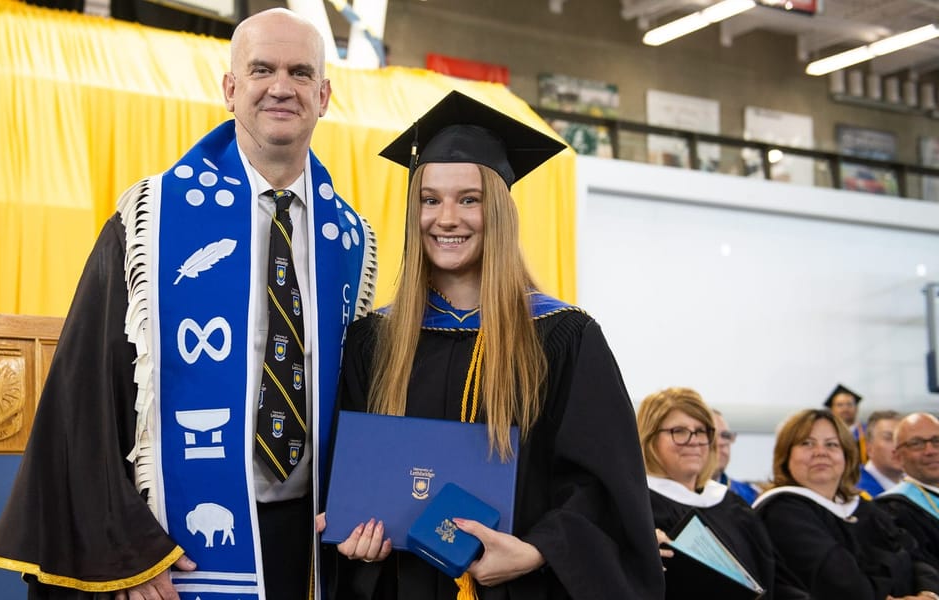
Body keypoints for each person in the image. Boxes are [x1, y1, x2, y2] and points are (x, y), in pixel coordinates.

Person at [0, 8, 378, 599]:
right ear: (230, 89)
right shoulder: (152, 220)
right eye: (261, 69)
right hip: (174, 545)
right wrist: (127, 551)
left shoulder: (349, 240)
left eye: (300, 74)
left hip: (310, 544)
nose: (280, 87)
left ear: (324, 95)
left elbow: (361, 400)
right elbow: (84, 391)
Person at [326, 91, 663, 599]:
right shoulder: (376, 340)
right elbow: (353, 472)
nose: (446, 219)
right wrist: (356, 536)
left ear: (500, 210)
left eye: (469, 199)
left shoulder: (562, 336)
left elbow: (602, 486)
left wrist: (538, 549)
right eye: (430, 199)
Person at [753, 409, 939, 600]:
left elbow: (916, 557)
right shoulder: (782, 512)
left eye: (832, 444)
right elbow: (842, 585)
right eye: (807, 443)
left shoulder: (864, 509)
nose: (820, 452)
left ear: (846, 456)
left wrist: (929, 594)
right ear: (785, 455)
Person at [639, 388, 804, 599]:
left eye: (701, 431)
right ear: (649, 438)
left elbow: (776, 579)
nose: (694, 440)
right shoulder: (638, 509)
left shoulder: (732, 504)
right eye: (679, 431)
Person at [876, 412, 939, 564]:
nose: (930, 451)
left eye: (936, 441)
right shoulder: (890, 510)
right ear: (897, 456)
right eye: (916, 443)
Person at [712, 408, 759, 504]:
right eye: (711, 435)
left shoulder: (752, 495)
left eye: (725, 435)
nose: (721, 443)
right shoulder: (676, 496)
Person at [857, 410, 903, 497]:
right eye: (888, 438)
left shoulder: (917, 486)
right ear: (869, 448)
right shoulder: (858, 494)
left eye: (901, 438)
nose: (898, 446)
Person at [826, 383, 867, 463]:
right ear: (831, 409)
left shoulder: (868, 431)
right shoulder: (825, 433)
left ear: (856, 408)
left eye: (849, 404)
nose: (845, 408)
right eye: (840, 405)